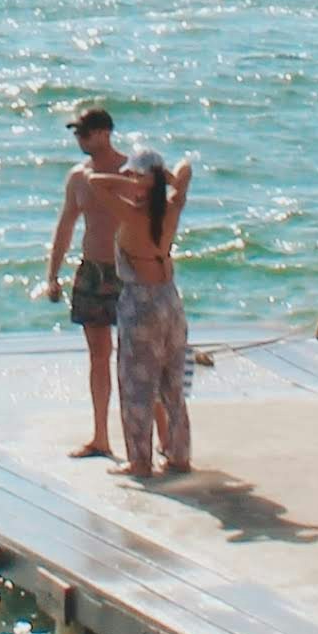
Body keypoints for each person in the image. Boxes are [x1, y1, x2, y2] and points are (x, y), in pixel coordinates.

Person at [43, 105, 131, 458]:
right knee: (98, 355)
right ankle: (100, 436)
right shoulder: (79, 177)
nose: (79, 139)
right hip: (93, 271)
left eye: (84, 133)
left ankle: (158, 438)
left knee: (137, 355)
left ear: (104, 134)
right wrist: (53, 275)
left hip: (129, 272)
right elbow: (66, 225)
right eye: (76, 133)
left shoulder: (131, 171)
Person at [112, 145, 196, 479]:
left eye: (134, 176)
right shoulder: (172, 206)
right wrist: (166, 179)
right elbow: (187, 168)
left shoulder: (134, 214)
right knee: (172, 384)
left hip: (141, 302)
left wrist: (135, 181)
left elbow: (94, 182)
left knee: (137, 385)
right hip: (169, 300)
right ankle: (179, 455)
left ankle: (140, 460)